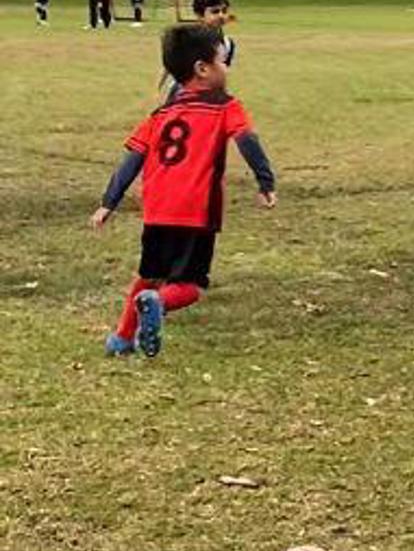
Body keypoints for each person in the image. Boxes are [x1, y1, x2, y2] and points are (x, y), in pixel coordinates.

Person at [90, 23, 278, 358]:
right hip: (196, 210)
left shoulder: (161, 114)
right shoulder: (225, 106)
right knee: (189, 286)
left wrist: (109, 202)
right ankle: (159, 305)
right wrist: (265, 181)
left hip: (157, 209)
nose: (227, 67)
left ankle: (121, 338)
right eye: (223, 60)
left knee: (148, 275)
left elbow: (132, 158)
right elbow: (248, 141)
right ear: (203, 69)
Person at [163, 0, 237, 98]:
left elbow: (222, 74)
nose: (221, 15)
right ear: (200, 15)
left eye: (224, 11)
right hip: (184, 94)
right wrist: (160, 92)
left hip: (210, 95)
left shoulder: (227, 43)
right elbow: (169, 68)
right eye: (215, 12)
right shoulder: (187, 40)